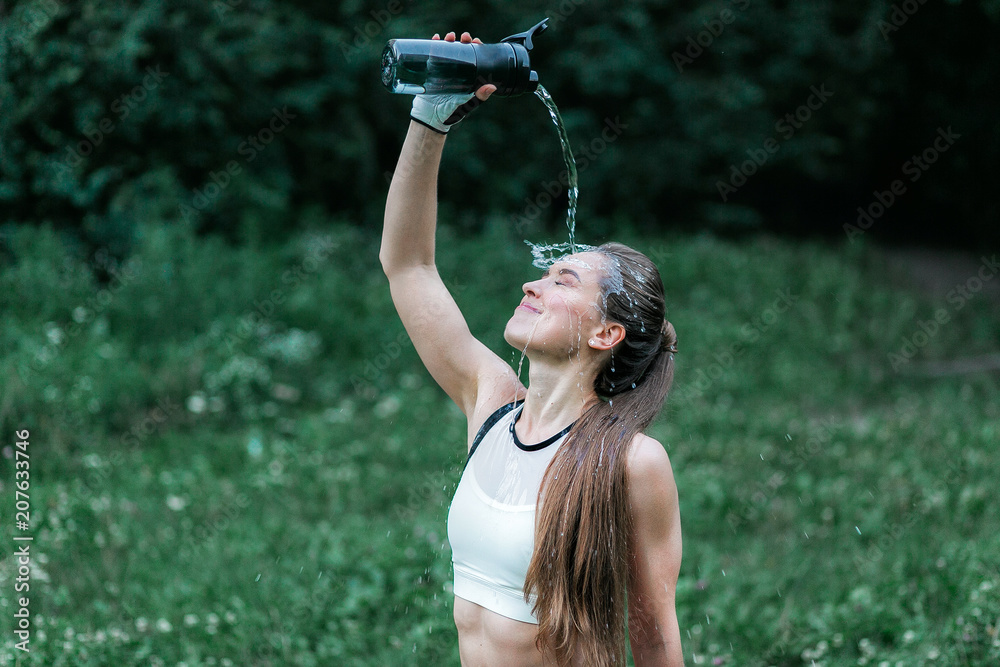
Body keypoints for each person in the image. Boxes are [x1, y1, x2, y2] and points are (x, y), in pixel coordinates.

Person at [380, 30, 684, 666]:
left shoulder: (630, 462)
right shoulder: (490, 408)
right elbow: (407, 265)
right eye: (545, 274)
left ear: (606, 335)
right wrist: (431, 116)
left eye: (563, 280)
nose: (533, 284)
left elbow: (653, 635)